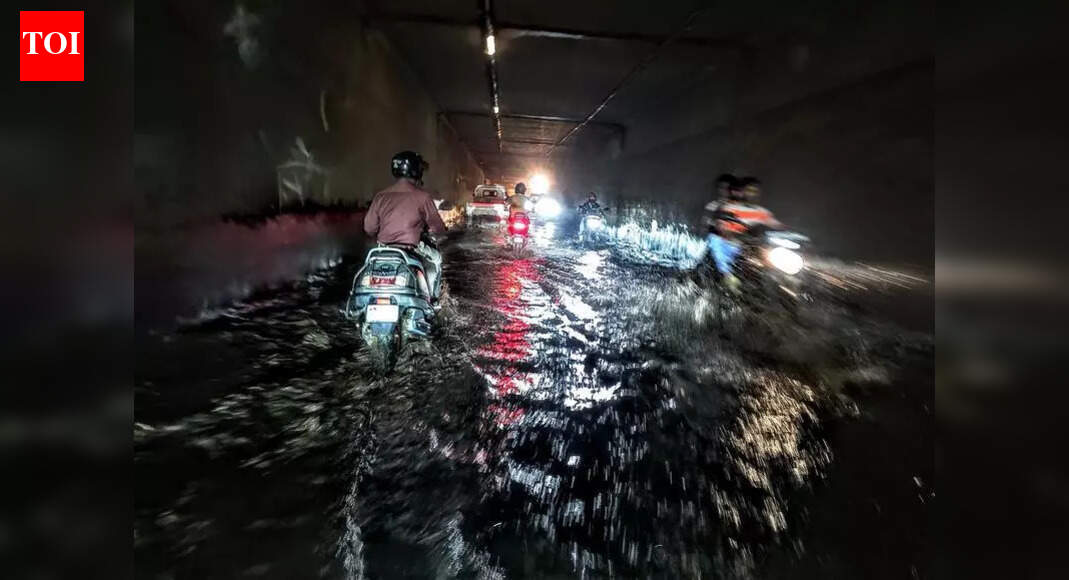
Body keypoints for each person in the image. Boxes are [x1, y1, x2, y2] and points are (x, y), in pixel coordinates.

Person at [364, 151, 448, 302]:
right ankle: (430, 300)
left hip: (383, 250)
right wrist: (439, 232)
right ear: (417, 171)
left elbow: (369, 228)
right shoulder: (423, 197)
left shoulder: (381, 196)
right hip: (412, 250)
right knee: (436, 260)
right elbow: (438, 228)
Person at [705, 177, 782, 292]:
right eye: (749, 190)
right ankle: (726, 279)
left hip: (752, 248)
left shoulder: (761, 211)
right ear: (741, 192)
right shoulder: (727, 208)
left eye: (755, 191)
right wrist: (730, 233)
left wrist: (791, 232)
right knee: (716, 245)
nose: (752, 194)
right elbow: (720, 226)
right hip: (731, 246)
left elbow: (776, 225)